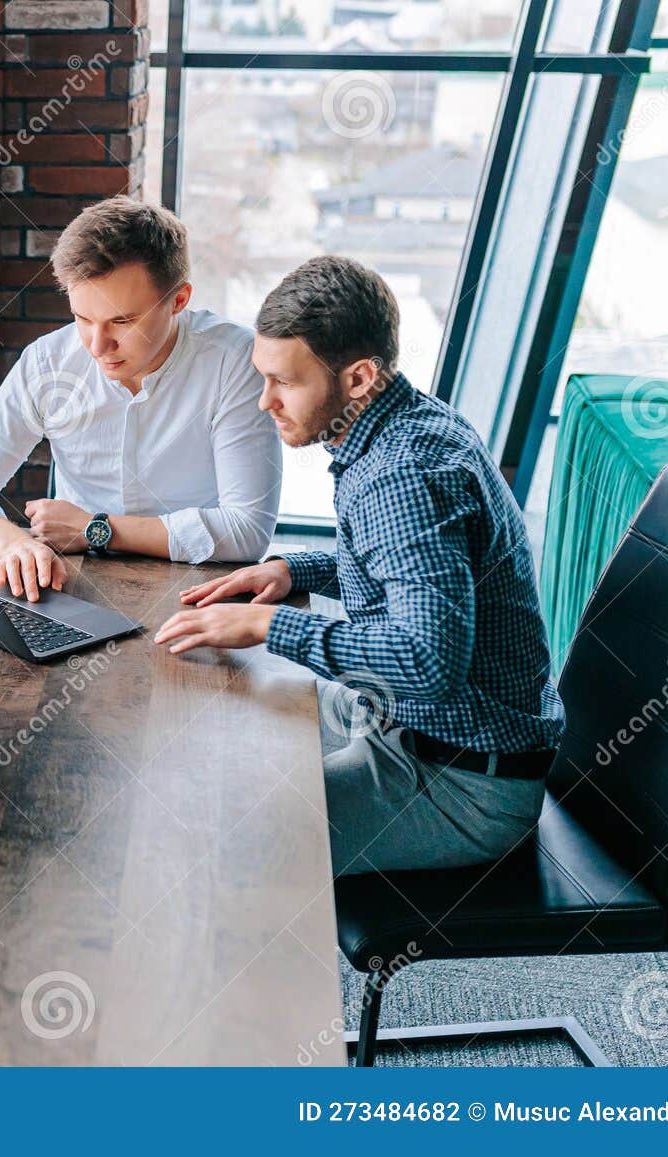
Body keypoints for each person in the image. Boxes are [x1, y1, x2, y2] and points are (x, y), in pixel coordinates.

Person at [153, 256, 563, 876]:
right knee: (223, 722)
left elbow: (427, 662)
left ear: (359, 377)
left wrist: (268, 627)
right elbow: (407, 575)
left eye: (284, 383)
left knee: (226, 853)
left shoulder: (400, 477)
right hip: (405, 723)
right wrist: (298, 573)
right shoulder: (408, 425)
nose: (265, 402)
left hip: (460, 783)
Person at [0, 196, 281, 602]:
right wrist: (14, 544)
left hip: (200, 592)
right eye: (82, 318)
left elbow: (247, 530)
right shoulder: (48, 362)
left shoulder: (234, 361)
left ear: (178, 301)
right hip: (70, 587)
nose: (98, 345)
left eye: (123, 321)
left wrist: (96, 528)